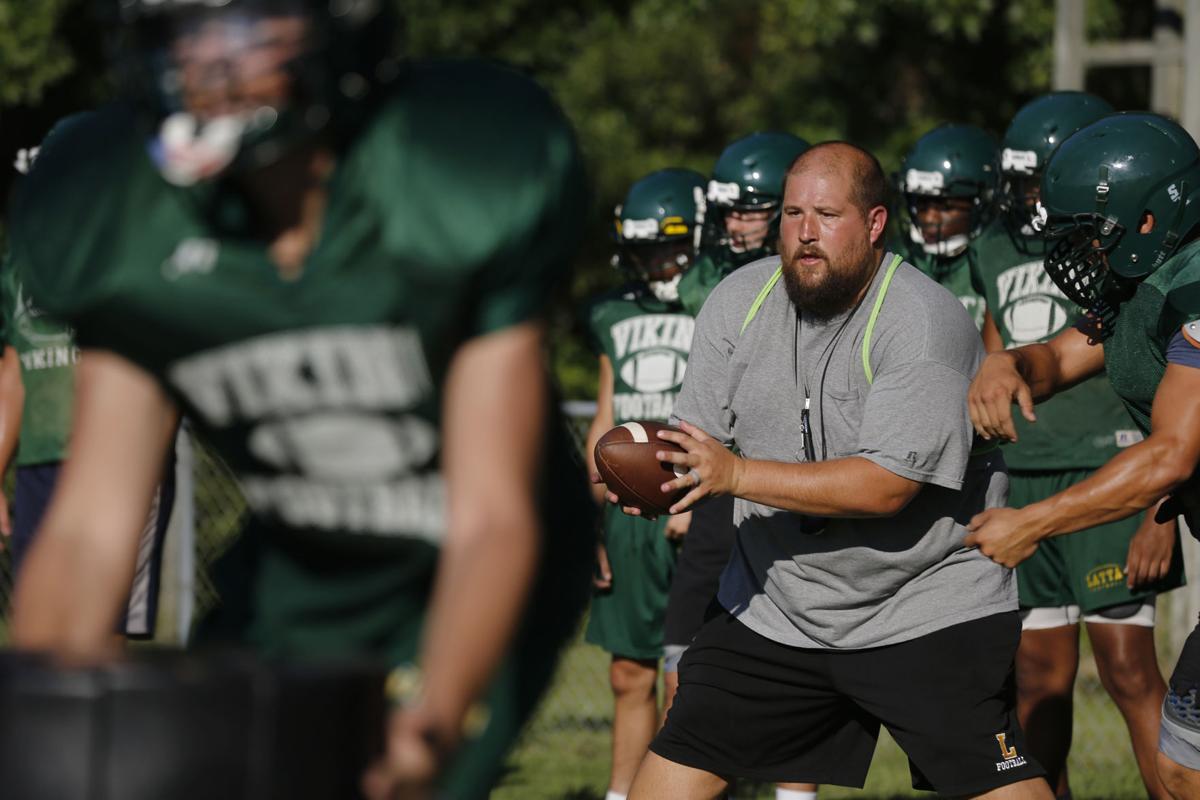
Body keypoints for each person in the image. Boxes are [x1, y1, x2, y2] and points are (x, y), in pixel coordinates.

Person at [5, 1, 592, 798]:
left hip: (468, 565)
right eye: (185, 31)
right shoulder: (132, 223)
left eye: (246, 25)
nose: (210, 62)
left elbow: (491, 517)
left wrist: (433, 715)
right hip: (300, 564)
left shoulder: (447, 177)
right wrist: (39, 731)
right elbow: (85, 532)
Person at [612, 141, 1051, 799]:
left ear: (874, 224)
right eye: (792, 214)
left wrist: (732, 476)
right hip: (776, 607)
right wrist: (656, 478)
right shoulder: (739, 301)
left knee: (997, 787)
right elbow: (695, 441)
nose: (805, 233)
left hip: (921, 605)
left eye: (826, 214)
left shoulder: (923, 322)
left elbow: (886, 487)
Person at [964, 111, 1200, 800]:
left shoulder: (1193, 289)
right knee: (1185, 770)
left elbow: (1171, 455)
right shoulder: (1139, 283)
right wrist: (1004, 365)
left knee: (1184, 768)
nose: (1077, 251)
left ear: (1152, 219)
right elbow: (1061, 355)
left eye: (1089, 233)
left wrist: (1032, 523)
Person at [666, 131, 819, 800]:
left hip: (792, 497)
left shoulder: (832, 283)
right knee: (683, 661)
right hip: (717, 494)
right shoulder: (721, 284)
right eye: (727, 210)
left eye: (750, 210)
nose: (734, 224)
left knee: (799, 677)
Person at [583, 168, 703, 800]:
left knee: (687, 677)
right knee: (629, 674)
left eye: (664, 243)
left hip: (692, 503)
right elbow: (603, 416)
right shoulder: (612, 313)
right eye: (642, 246)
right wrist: (591, 519)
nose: (653, 259)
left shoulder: (718, 301)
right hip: (625, 514)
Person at [892, 123, 997, 329]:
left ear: (985, 200)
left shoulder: (996, 259)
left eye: (945, 206)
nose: (929, 218)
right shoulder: (899, 257)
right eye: (920, 203)